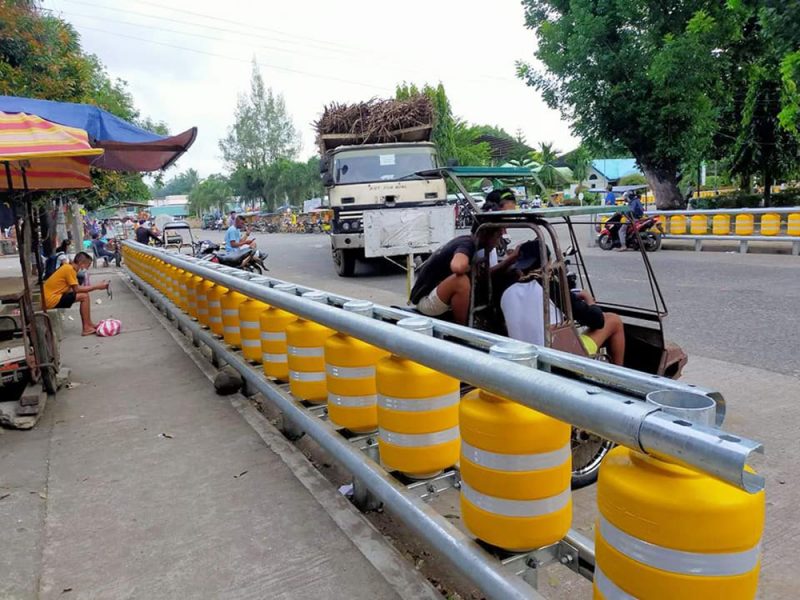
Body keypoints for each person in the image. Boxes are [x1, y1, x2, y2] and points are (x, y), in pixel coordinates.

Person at [501, 240, 626, 364]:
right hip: (559, 361)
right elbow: (597, 321)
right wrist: (589, 300)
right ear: (548, 262)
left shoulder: (506, 293)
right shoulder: (550, 289)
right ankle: (619, 376)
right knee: (613, 320)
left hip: (525, 359)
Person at [409, 227, 504, 325]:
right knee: (460, 281)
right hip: (426, 301)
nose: (498, 243)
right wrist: (472, 268)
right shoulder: (468, 244)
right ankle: (462, 330)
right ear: (484, 235)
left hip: (437, 295)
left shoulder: (471, 243)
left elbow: (485, 276)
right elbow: (458, 267)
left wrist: (510, 260)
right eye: (497, 237)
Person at [43, 251, 109, 336]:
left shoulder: (69, 268)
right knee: (84, 296)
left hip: (51, 297)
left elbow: (71, 289)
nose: (87, 268)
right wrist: (97, 286)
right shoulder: (69, 269)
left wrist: (96, 286)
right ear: (81, 263)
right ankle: (86, 327)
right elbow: (77, 289)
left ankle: (88, 324)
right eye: (88, 265)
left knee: (84, 295)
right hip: (51, 299)